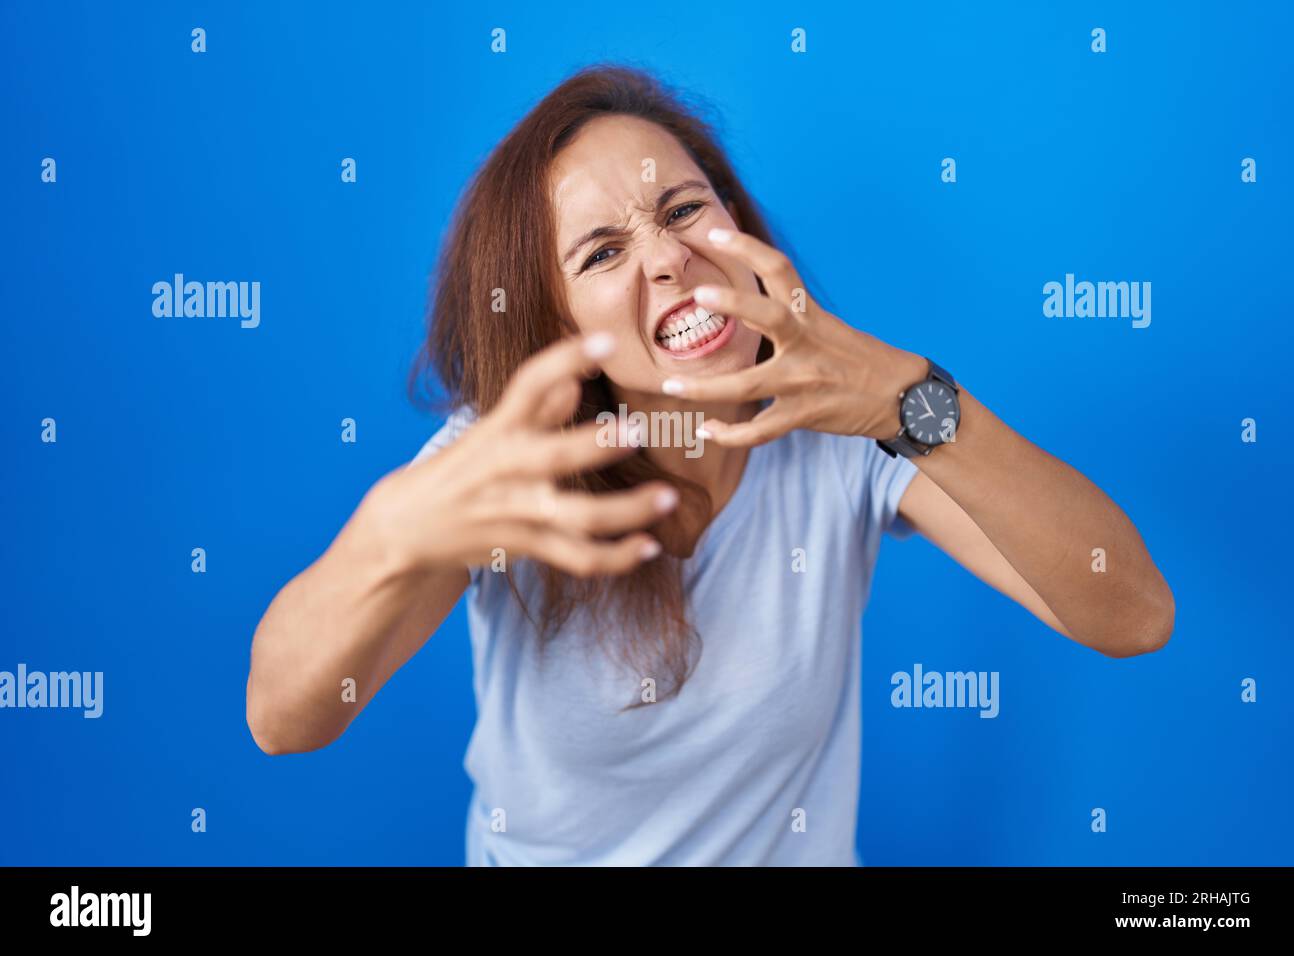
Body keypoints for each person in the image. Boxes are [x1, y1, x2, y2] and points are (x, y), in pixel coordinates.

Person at [245, 64, 1175, 866]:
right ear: (558, 323)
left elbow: (1132, 613)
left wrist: (910, 399)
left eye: (684, 208)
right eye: (603, 251)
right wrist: (390, 534)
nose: (669, 259)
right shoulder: (505, 459)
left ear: (739, 222)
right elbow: (285, 720)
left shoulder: (850, 426)